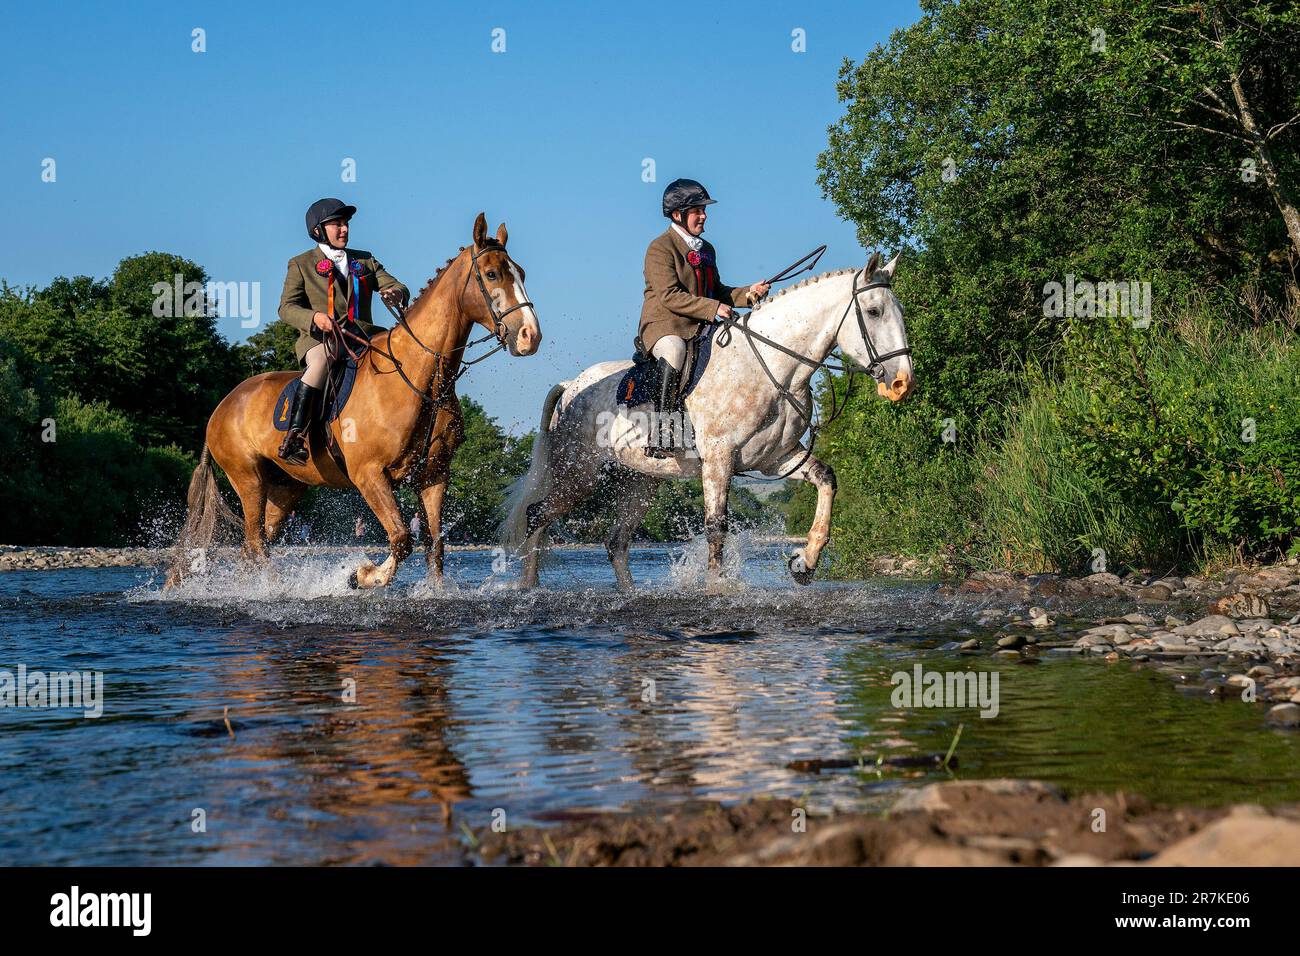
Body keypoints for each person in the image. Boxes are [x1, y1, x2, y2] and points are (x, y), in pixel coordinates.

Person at [637, 179, 769, 457]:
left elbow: (718, 291)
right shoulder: (660, 248)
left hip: (700, 326)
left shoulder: (706, 249)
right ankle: (663, 432)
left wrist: (749, 294)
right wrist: (712, 308)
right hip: (666, 324)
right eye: (697, 210)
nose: (704, 215)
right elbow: (669, 295)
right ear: (678, 215)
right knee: (674, 350)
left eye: (704, 210)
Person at [275, 198, 410, 465]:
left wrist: (395, 293)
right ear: (318, 230)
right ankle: (295, 436)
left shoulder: (365, 260)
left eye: (345, 223)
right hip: (321, 338)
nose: (344, 229)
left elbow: (397, 285)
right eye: (336, 224)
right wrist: (314, 317)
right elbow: (286, 308)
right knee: (322, 362)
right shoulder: (300, 264)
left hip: (365, 337)